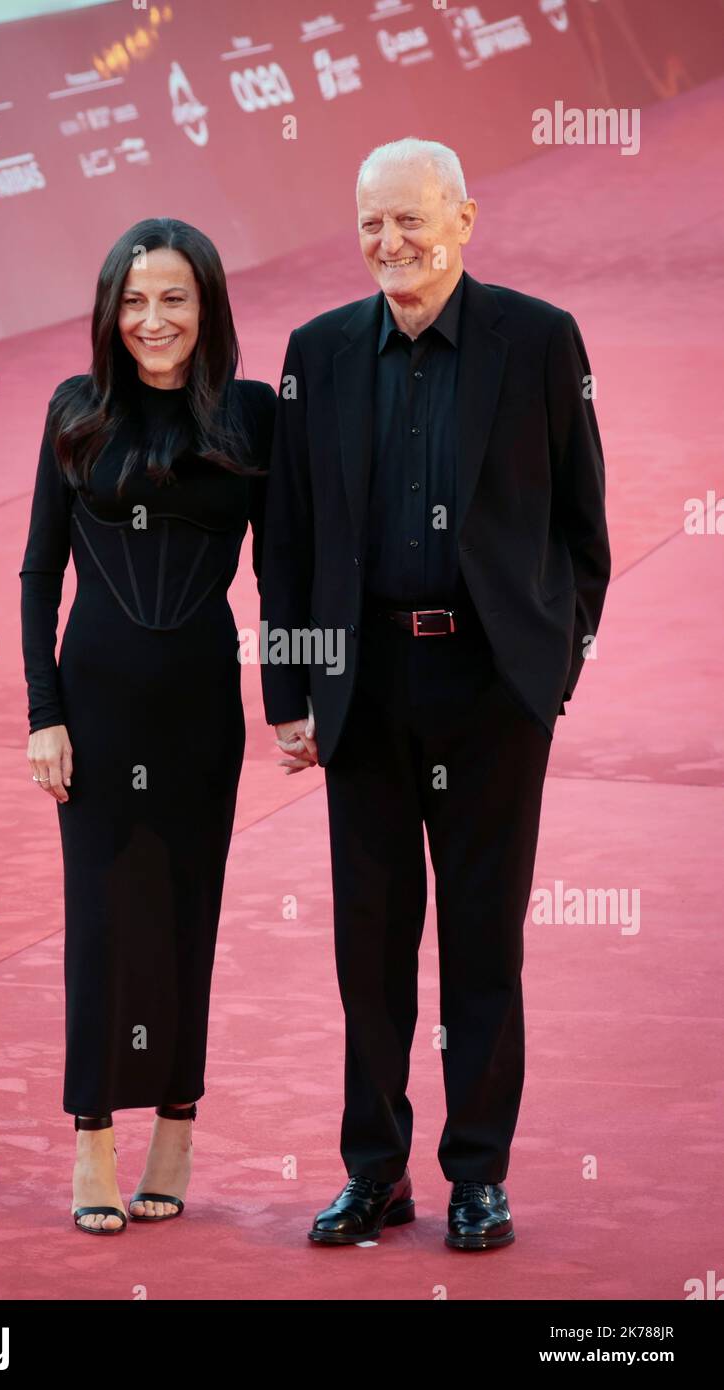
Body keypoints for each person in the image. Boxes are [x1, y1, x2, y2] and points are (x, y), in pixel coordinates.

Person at [259, 138, 610, 1250]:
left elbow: (581, 526)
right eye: (369, 223)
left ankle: (477, 1175)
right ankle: (375, 1172)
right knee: (367, 945)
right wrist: (289, 688)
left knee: (480, 941)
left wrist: (549, 667)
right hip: (362, 686)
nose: (389, 244)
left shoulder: (538, 339)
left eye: (410, 220)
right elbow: (288, 537)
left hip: (488, 686)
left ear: (462, 217)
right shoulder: (315, 352)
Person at [19, 218, 275, 1234]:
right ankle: (92, 1134)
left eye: (171, 298)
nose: (151, 319)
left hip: (203, 709)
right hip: (97, 708)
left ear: (204, 305)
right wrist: (42, 715)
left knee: (184, 912)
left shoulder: (252, 416)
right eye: (132, 300)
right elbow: (41, 571)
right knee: (100, 917)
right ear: (108, 313)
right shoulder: (75, 410)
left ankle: (175, 1124)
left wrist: (291, 702)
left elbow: (282, 569)